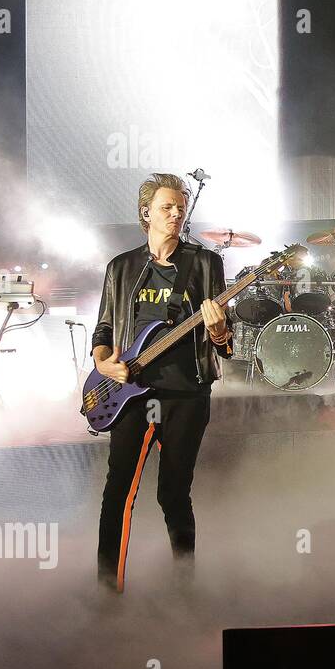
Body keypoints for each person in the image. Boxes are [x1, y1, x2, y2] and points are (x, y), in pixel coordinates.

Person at [91, 173, 233, 593]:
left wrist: (221, 331)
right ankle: (106, 591)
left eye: (180, 208)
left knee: (173, 494)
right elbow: (103, 328)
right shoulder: (122, 266)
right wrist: (103, 363)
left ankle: (184, 588)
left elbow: (222, 342)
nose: (175, 214)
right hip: (129, 394)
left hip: (186, 394)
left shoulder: (206, 263)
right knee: (117, 493)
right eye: (167, 207)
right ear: (145, 213)